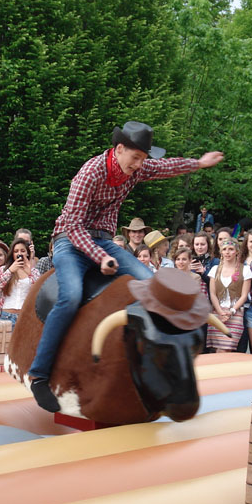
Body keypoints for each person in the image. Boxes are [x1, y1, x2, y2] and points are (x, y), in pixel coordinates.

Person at [27, 120, 224, 412]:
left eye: (143, 159)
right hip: (70, 240)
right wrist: (99, 257)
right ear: (119, 149)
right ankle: (39, 374)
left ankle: (154, 356)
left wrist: (199, 163)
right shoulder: (90, 173)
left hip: (104, 240)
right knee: (70, 295)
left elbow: (166, 167)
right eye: (135, 157)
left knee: (149, 280)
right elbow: (72, 224)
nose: (139, 165)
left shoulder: (138, 167)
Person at [207, 237, 251, 352]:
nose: (227, 252)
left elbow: (244, 295)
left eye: (231, 249)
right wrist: (220, 311)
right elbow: (212, 294)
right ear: (221, 251)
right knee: (217, 349)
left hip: (235, 313)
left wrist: (231, 311)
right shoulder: (215, 269)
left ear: (237, 251)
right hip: (218, 312)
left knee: (227, 348)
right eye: (224, 249)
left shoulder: (245, 270)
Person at [0, 236, 41, 326]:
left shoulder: (34, 271)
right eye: (16, 251)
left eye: (22, 251)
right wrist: (10, 271)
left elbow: (38, 292)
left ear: (27, 253)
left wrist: (29, 273)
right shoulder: (4, 269)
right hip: (6, 315)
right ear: (12, 254)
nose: (19, 253)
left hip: (25, 315)